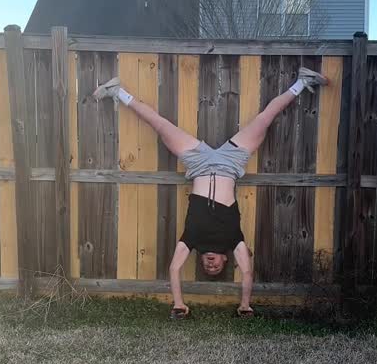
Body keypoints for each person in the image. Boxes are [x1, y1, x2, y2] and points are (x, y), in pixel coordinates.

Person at [93, 66, 328, 319]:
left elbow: (174, 269)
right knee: (265, 118)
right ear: (227, 261)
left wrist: (179, 304)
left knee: (160, 125)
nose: (210, 264)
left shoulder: (191, 238)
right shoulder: (233, 240)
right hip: (231, 162)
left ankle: (117, 91)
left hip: (198, 162)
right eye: (215, 267)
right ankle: (302, 82)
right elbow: (247, 272)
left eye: (207, 267)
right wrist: (245, 305)